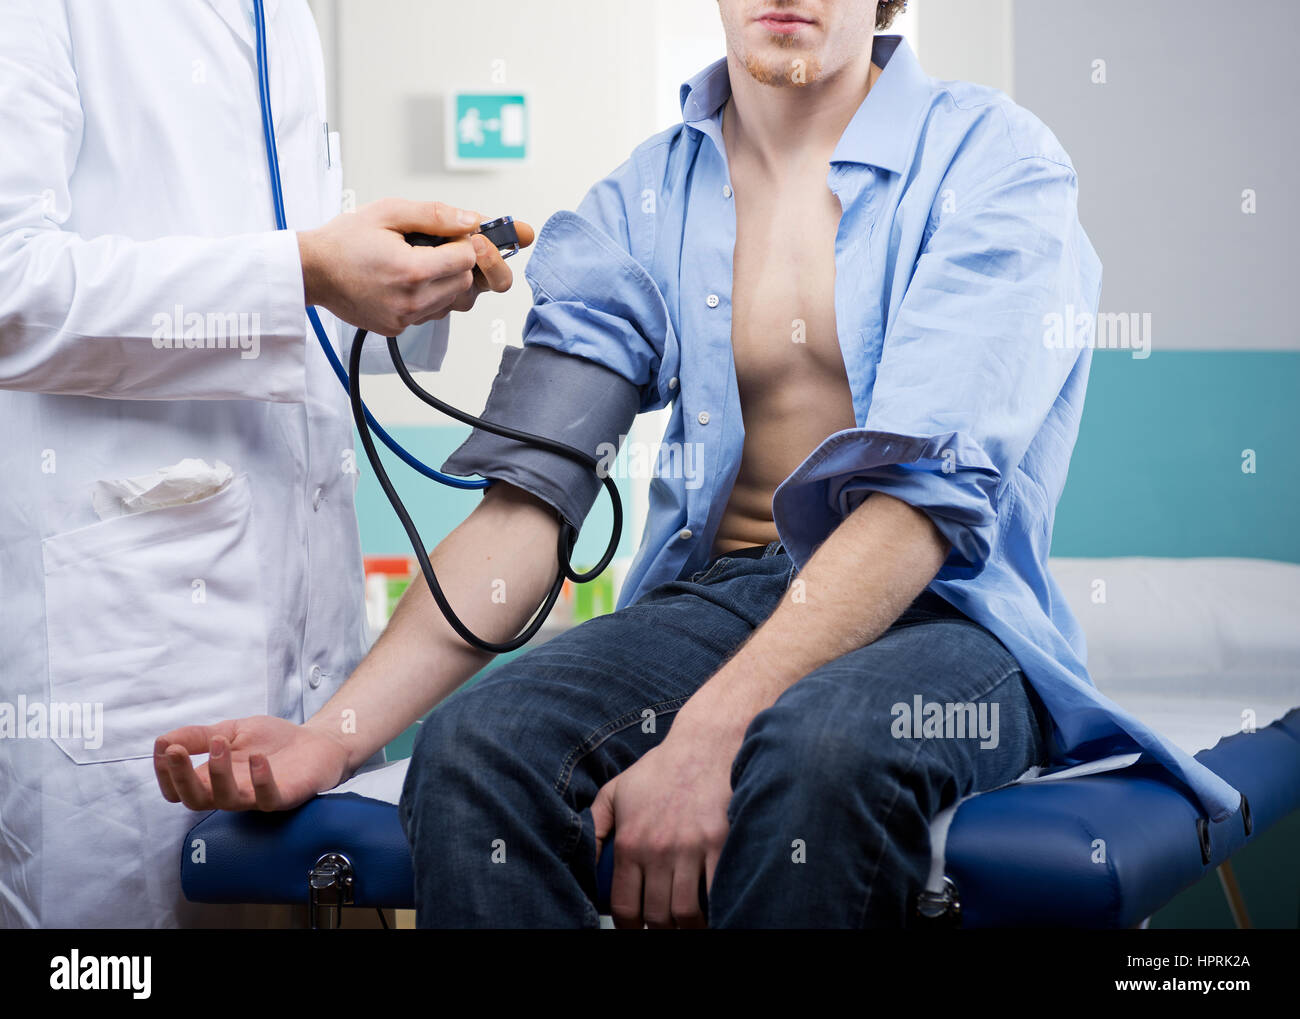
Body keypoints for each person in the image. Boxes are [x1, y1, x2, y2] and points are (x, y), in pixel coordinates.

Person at [158, 0, 1244, 928]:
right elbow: (524, 517)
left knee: (818, 748)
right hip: (717, 597)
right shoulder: (635, 205)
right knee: (476, 744)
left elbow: (916, 512)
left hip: (950, 616)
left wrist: (705, 736)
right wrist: (334, 738)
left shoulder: (996, 166)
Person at [0, 0, 531, 928]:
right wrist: (303, 274)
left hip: (301, 662)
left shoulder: (278, 19)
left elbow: (278, 281)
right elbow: (12, 292)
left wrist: (393, 282)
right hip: (124, 649)